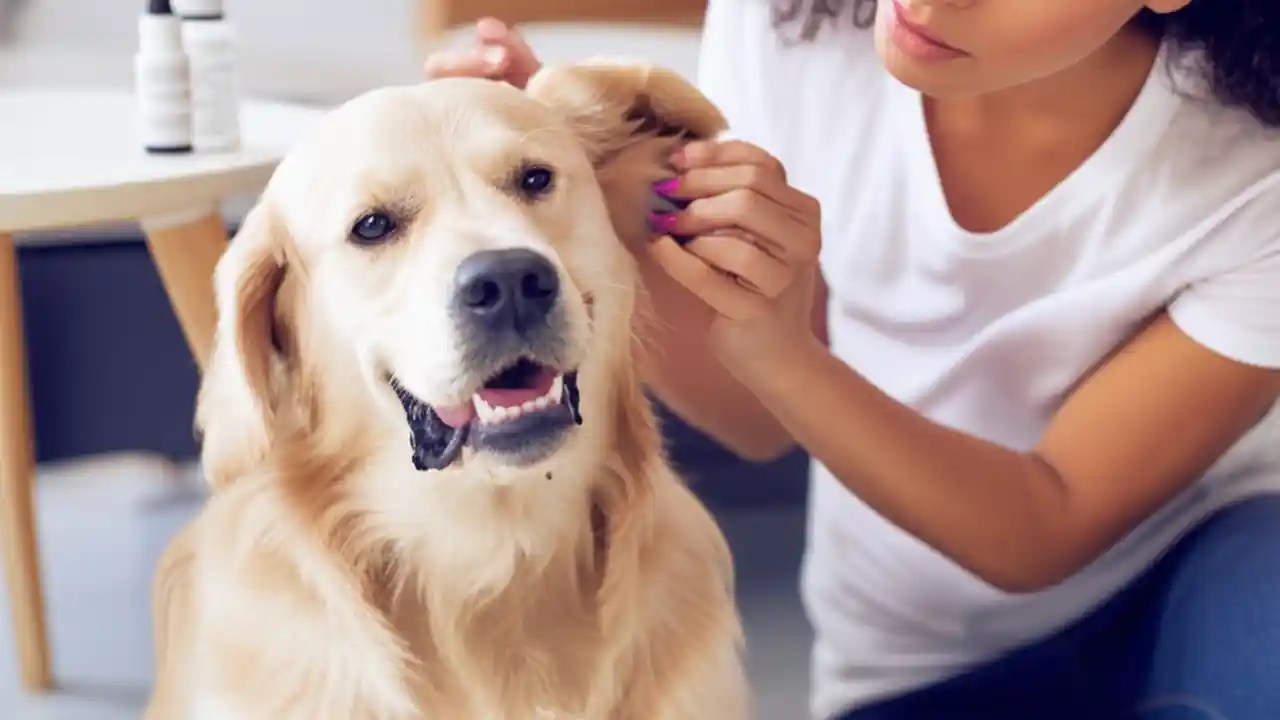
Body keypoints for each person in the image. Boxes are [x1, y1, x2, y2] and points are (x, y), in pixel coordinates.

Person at [424, 1, 1280, 717]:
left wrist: (784, 352)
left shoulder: (1254, 176)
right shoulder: (790, 24)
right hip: (909, 667)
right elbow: (756, 422)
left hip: (1191, 596)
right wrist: (566, 204)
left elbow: (1044, 522)